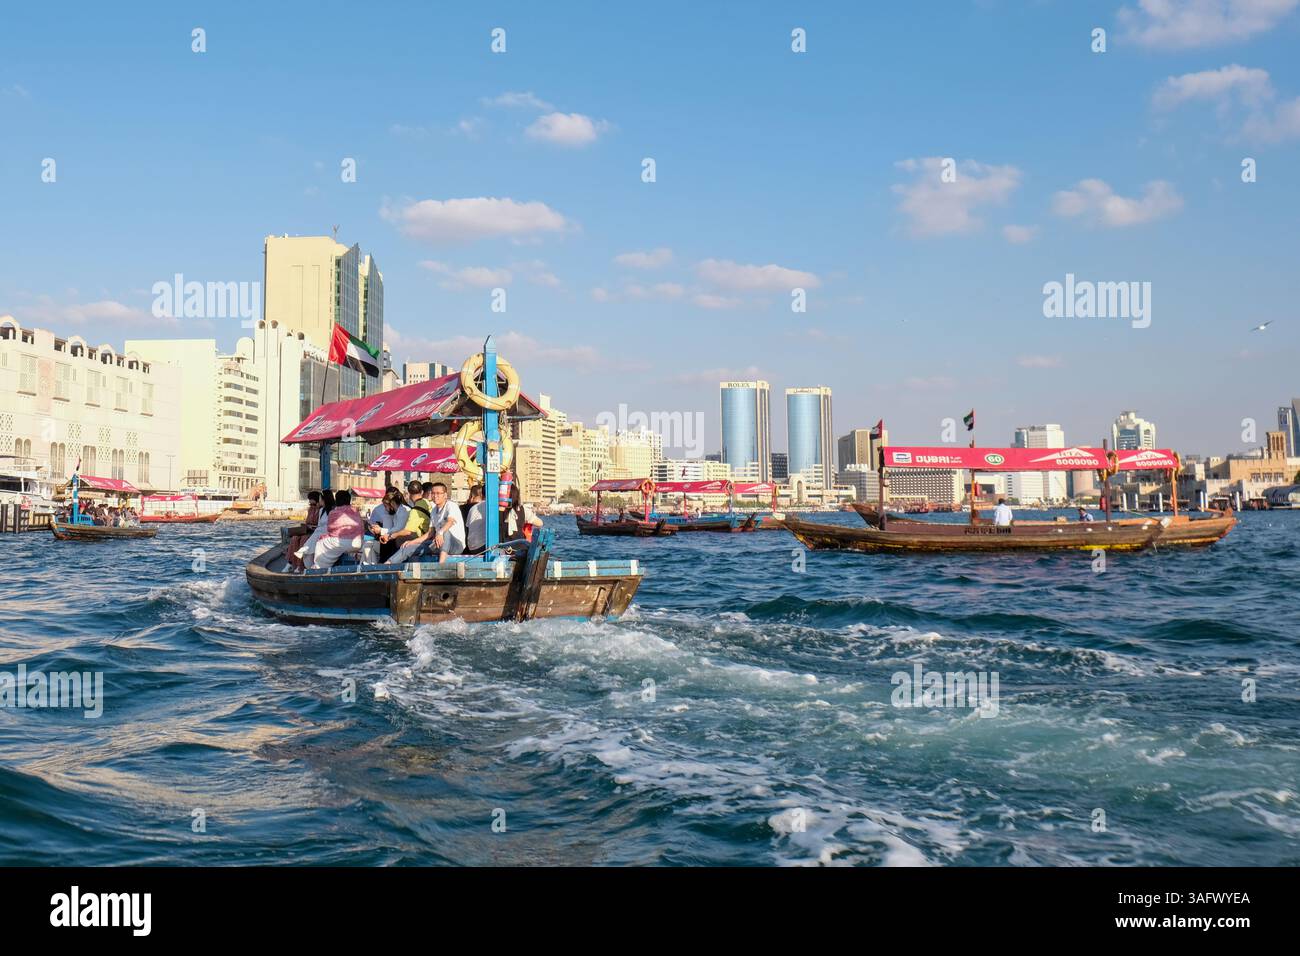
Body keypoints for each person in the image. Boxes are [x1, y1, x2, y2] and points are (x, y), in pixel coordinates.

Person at [384, 481, 433, 565]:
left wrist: (390, 536)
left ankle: (390, 565)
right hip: (429, 536)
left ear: (409, 494)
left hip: (425, 538)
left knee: (397, 540)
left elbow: (407, 531)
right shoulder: (426, 502)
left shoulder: (415, 511)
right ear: (421, 492)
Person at [313, 490, 365, 570]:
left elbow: (330, 529)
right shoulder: (356, 511)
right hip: (358, 543)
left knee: (320, 543)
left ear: (337, 500)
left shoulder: (334, 512)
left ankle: (319, 567)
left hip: (342, 543)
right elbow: (362, 528)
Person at [426, 482, 466, 561]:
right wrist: (413, 542)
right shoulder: (433, 511)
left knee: (445, 532)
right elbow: (430, 533)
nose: (435, 496)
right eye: (433, 493)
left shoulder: (451, 505)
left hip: (456, 546)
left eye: (438, 493)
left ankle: (441, 564)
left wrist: (440, 533)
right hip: (439, 543)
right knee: (412, 547)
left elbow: (450, 522)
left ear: (445, 495)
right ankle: (394, 565)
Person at [296, 490, 335, 568]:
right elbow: (319, 524)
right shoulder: (321, 510)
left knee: (315, 537)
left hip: (328, 531)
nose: (319, 500)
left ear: (325, 499)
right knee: (316, 535)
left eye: (320, 498)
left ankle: (304, 549)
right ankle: (306, 556)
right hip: (319, 531)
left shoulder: (334, 510)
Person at [367, 490, 409, 562]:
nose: (385, 509)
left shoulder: (403, 511)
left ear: (392, 504)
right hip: (398, 537)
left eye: (385, 506)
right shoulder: (398, 512)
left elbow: (398, 529)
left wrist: (381, 530)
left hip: (402, 539)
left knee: (383, 543)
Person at [287, 491, 321, 570]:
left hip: (314, 532)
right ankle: (291, 562)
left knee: (303, 540)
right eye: (310, 504)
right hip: (307, 530)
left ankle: (300, 565)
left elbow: (321, 525)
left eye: (314, 504)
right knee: (294, 538)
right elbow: (308, 521)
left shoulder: (321, 511)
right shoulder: (310, 510)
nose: (312, 506)